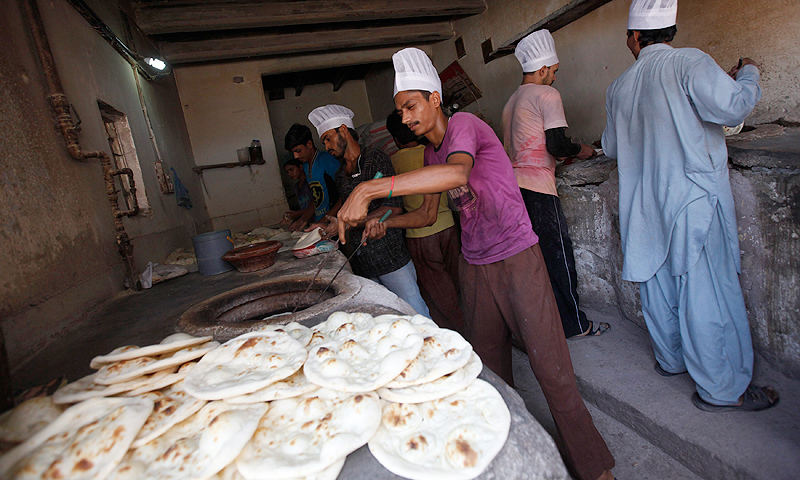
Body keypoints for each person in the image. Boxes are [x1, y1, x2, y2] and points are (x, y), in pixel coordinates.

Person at [338, 47, 615, 480]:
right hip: (475, 266)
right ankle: (513, 463)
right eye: (401, 110)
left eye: (411, 106)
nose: (405, 118)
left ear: (434, 98)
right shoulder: (431, 156)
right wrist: (384, 222)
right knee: (488, 372)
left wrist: (369, 190)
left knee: (552, 372)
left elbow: (458, 174)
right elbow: (426, 215)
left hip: (516, 257)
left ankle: (595, 470)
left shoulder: (464, 126)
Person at [602, 0, 778, 412]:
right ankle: (721, 388)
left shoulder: (619, 86)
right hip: (690, 197)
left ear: (635, 37)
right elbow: (734, 107)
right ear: (670, 32)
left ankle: (671, 360)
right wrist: (748, 73)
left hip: (645, 205)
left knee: (658, 283)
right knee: (705, 290)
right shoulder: (689, 62)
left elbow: (611, 147)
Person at [502, 29, 608, 339]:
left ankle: (537, 323)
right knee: (558, 258)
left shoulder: (511, 102)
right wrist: (582, 149)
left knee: (532, 262)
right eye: (554, 71)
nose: (555, 78)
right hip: (538, 189)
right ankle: (575, 325)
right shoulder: (547, 95)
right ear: (543, 68)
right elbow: (557, 144)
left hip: (513, 190)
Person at [307, 104, 430, 317]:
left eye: (328, 139)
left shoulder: (375, 159)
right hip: (362, 262)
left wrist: (347, 223)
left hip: (389, 256)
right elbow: (346, 209)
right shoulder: (340, 175)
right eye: (324, 142)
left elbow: (393, 207)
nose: (327, 147)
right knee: (383, 319)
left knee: (414, 312)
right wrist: (327, 224)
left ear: (343, 130)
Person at [386, 111, 465, 333]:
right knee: (455, 285)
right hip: (448, 227)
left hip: (421, 234)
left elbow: (395, 201)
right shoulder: (431, 152)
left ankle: (457, 335)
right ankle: (466, 324)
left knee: (438, 295)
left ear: (395, 139)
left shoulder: (393, 162)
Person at [283, 123, 341, 223]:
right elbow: (316, 197)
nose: (296, 156)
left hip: (333, 222)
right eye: (293, 153)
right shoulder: (306, 165)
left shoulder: (326, 160)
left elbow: (345, 194)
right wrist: (303, 219)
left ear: (309, 144)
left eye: (298, 151)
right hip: (320, 221)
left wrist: (323, 221)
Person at [279, 158, 314, 231]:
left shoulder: (310, 183)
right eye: (287, 172)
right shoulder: (296, 188)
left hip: (315, 219)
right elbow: (304, 207)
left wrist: (297, 214)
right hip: (306, 221)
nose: (289, 174)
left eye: (292, 170)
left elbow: (315, 206)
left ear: (300, 167)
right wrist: (293, 215)